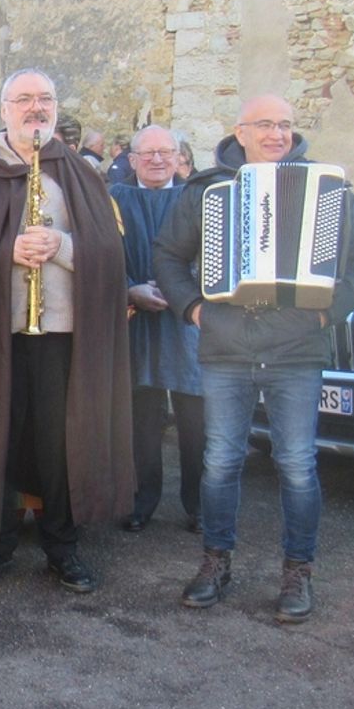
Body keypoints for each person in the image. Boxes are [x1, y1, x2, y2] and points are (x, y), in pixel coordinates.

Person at [152, 94, 354, 622]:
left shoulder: (330, 189)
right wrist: (195, 312)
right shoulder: (207, 190)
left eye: (286, 125)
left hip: (297, 347)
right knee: (221, 461)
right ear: (241, 131)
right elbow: (168, 256)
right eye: (266, 125)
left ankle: (298, 572)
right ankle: (215, 563)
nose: (278, 134)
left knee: (298, 464)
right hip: (225, 346)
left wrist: (326, 315)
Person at [0, 68, 134, 594]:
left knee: (60, 443)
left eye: (45, 99)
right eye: (24, 100)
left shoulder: (81, 174)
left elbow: (110, 256)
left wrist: (63, 248)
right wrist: (3, 252)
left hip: (62, 337)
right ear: (4, 108)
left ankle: (63, 547)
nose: (36, 108)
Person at [109, 125, 205, 534]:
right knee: (141, 421)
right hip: (135, 323)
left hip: (188, 323)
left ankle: (199, 505)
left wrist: (182, 292)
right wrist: (129, 288)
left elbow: (210, 253)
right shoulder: (112, 199)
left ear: (179, 156)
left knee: (195, 420)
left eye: (165, 152)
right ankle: (141, 500)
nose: (157, 160)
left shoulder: (198, 199)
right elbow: (102, 252)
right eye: (146, 154)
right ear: (132, 160)